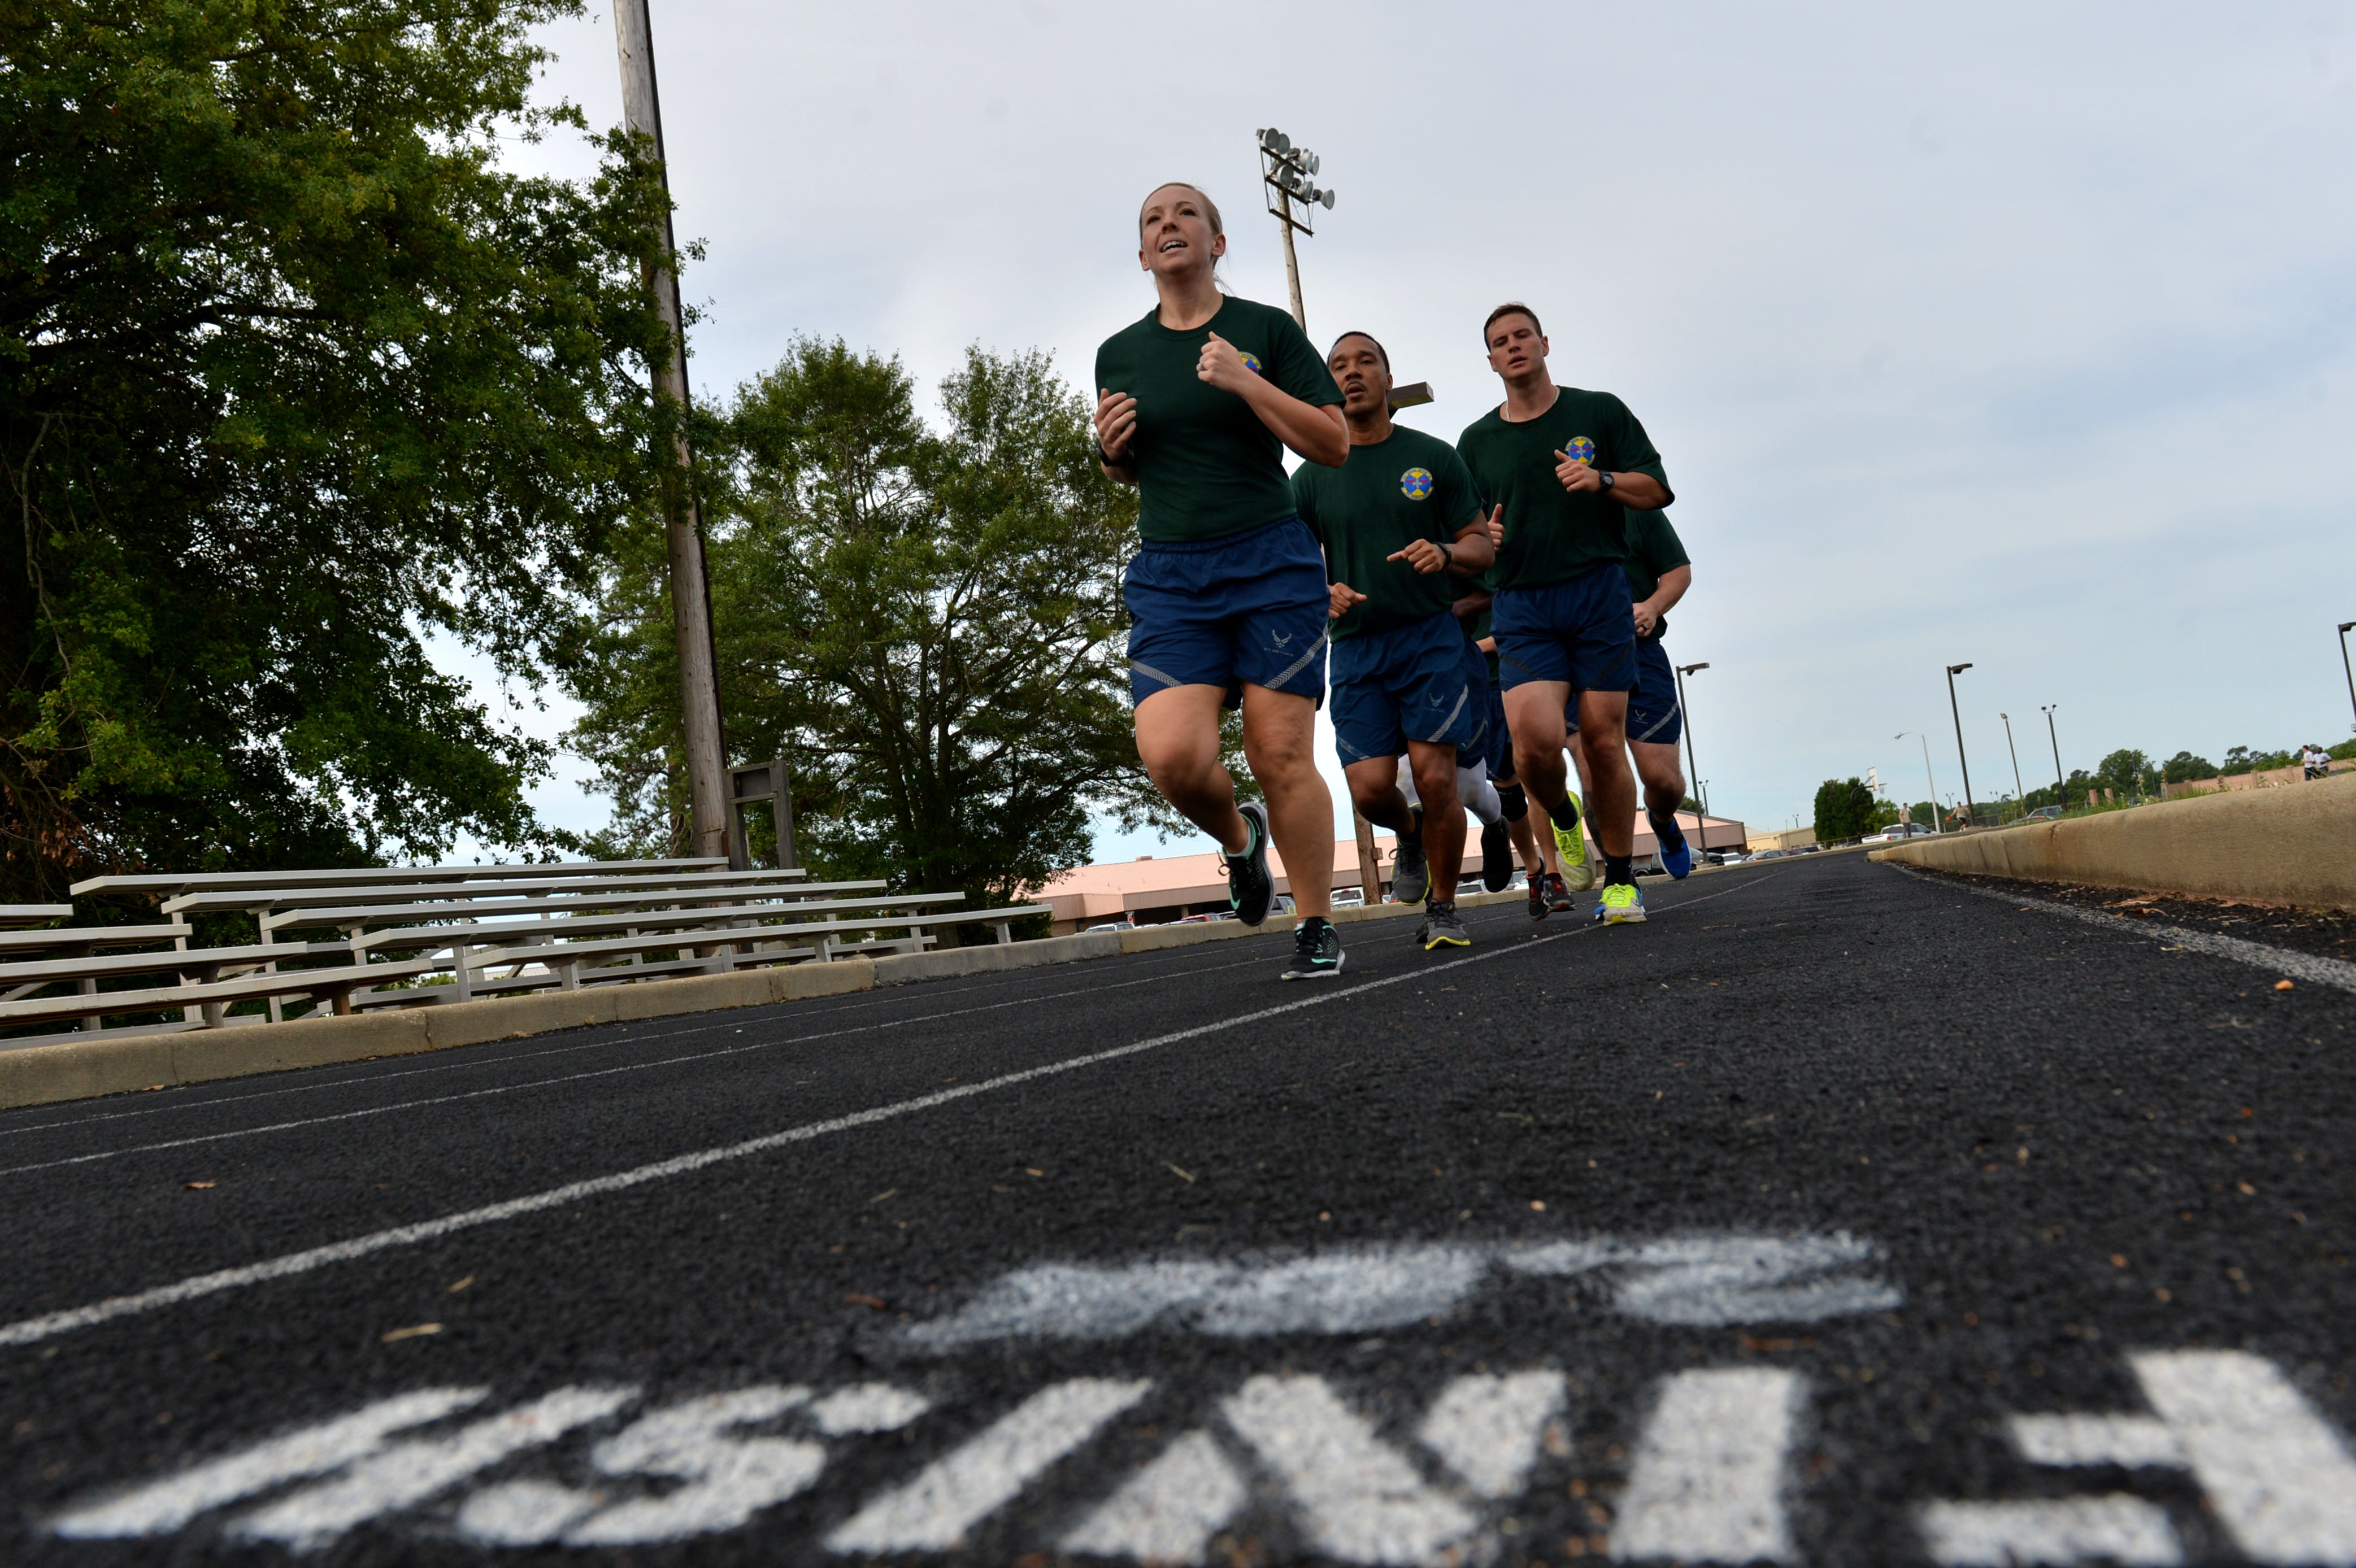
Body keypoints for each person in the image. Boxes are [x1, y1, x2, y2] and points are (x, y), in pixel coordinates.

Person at [1094, 183, 1350, 979]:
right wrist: (1110, 454)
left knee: (1278, 753)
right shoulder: (1119, 353)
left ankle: (1312, 923)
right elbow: (1131, 470)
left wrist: (1247, 381)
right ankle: (1242, 843)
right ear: (1142, 255)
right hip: (1172, 573)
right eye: (1152, 220)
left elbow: (1333, 442)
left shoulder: (1263, 331)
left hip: (1270, 559)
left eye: (1185, 215)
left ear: (1217, 241)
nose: (1168, 225)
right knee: (1170, 757)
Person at [1457, 303, 1672, 926]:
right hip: (1522, 601)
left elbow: (1655, 489)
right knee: (1533, 748)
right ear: (1491, 360)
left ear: (1545, 343)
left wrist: (1602, 479)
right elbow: (1466, 538)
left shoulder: (1598, 411)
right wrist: (1481, 544)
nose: (1514, 346)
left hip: (1598, 591)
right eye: (1501, 341)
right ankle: (1565, 815)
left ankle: (1622, 881)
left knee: (1604, 744)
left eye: (1523, 335)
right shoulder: (1476, 442)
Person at [1293, 332, 1497, 951]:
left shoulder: (1433, 457)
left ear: (1387, 378)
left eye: (1366, 362)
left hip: (1430, 641)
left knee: (1438, 782)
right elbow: (1291, 565)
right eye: (1338, 366)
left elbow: (1482, 545)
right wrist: (1321, 590)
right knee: (1372, 790)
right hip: (1355, 648)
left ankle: (1442, 909)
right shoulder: (1310, 475)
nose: (1352, 373)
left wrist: (1445, 552)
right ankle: (1409, 833)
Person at [1560, 507, 1698, 884]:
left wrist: (1652, 607)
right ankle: (1619, 882)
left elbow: (1678, 572)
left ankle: (1664, 822)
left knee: (1664, 780)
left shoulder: (1636, 508)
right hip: (1576, 655)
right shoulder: (1544, 506)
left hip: (1638, 649)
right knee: (1592, 767)